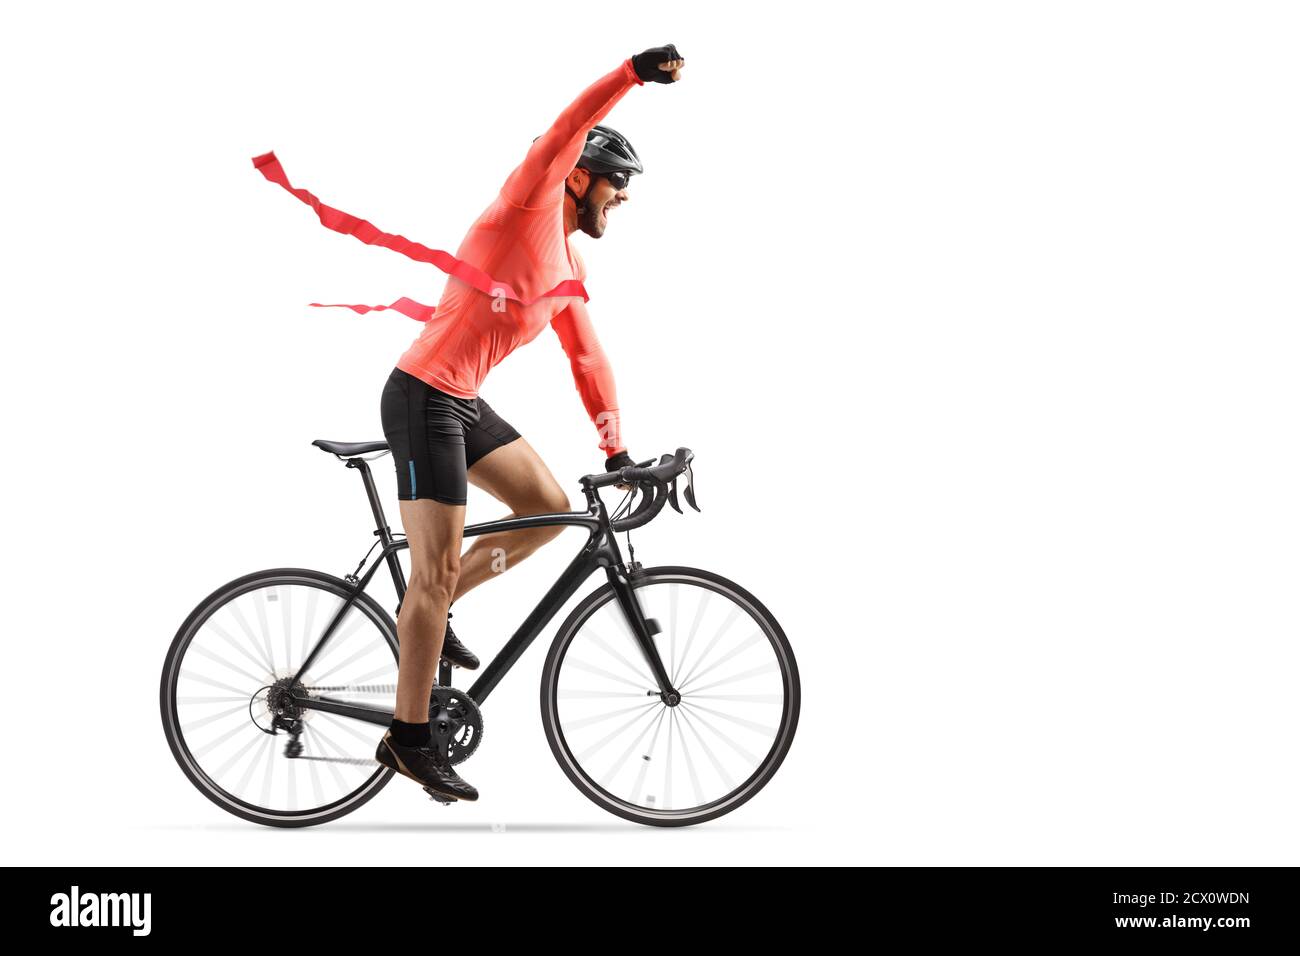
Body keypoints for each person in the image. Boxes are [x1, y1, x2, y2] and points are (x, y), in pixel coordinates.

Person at [374, 45, 686, 801]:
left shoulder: (565, 270)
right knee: (434, 571)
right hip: (421, 395)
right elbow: (565, 127)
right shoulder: (529, 203)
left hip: (462, 401)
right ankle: (408, 739)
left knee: (548, 510)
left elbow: (589, 360)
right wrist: (631, 76)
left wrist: (619, 455)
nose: (624, 197)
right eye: (618, 182)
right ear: (579, 176)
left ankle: (434, 606)